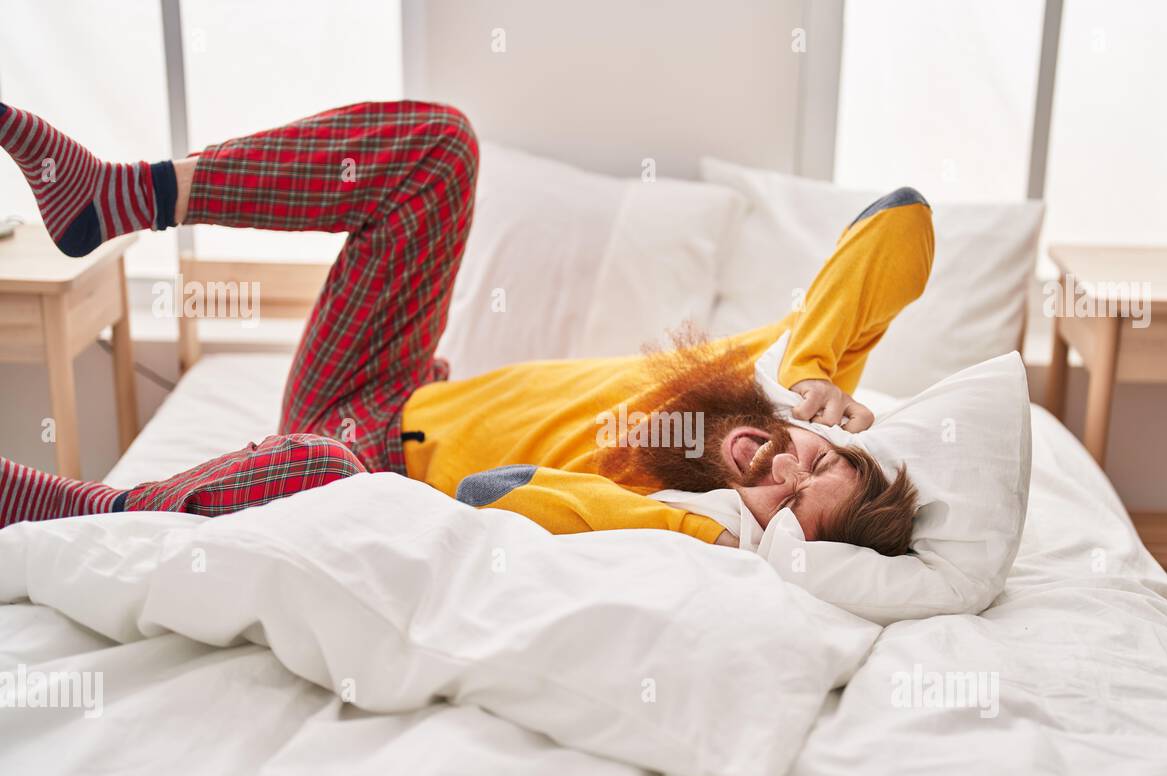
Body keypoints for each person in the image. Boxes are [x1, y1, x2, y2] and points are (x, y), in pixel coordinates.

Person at [0, 101, 932, 554]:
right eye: (815, 458)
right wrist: (812, 367)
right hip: (389, 385)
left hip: (365, 464)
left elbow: (497, 490)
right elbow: (902, 219)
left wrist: (722, 534)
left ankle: (81, 514)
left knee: (328, 473)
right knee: (444, 147)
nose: (780, 466)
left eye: (794, 500)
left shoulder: (696, 528)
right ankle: (125, 194)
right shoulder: (783, 371)